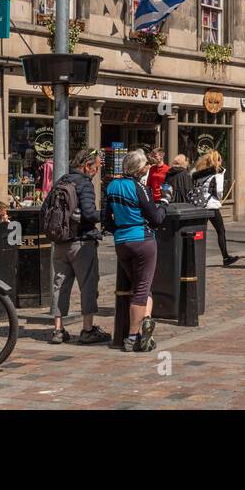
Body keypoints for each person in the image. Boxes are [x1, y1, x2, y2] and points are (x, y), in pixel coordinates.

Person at [101, 149, 165, 353]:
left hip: (122, 241)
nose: (148, 168)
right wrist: (164, 203)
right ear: (138, 169)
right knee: (141, 290)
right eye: (145, 165)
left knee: (141, 287)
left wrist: (120, 228)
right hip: (142, 239)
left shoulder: (112, 186)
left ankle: (146, 322)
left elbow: (105, 219)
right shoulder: (140, 188)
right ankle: (132, 337)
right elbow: (155, 218)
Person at [48, 148, 110, 346]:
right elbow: (91, 214)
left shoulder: (62, 180)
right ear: (87, 165)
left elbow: (45, 209)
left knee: (60, 285)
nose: (97, 171)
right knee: (88, 285)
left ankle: (58, 330)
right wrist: (108, 216)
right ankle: (88, 329)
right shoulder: (85, 184)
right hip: (82, 242)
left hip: (60, 242)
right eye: (97, 167)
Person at [193, 150, 239, 267]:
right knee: (221, 231)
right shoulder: (218, 173)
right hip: (212, 205)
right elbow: (219, 191)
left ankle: (194, 257)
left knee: (199, 232)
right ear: (217, 160)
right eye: (220, 159)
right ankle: (225, 257)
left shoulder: (199, 173)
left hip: (200, 205)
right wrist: (219, 198)